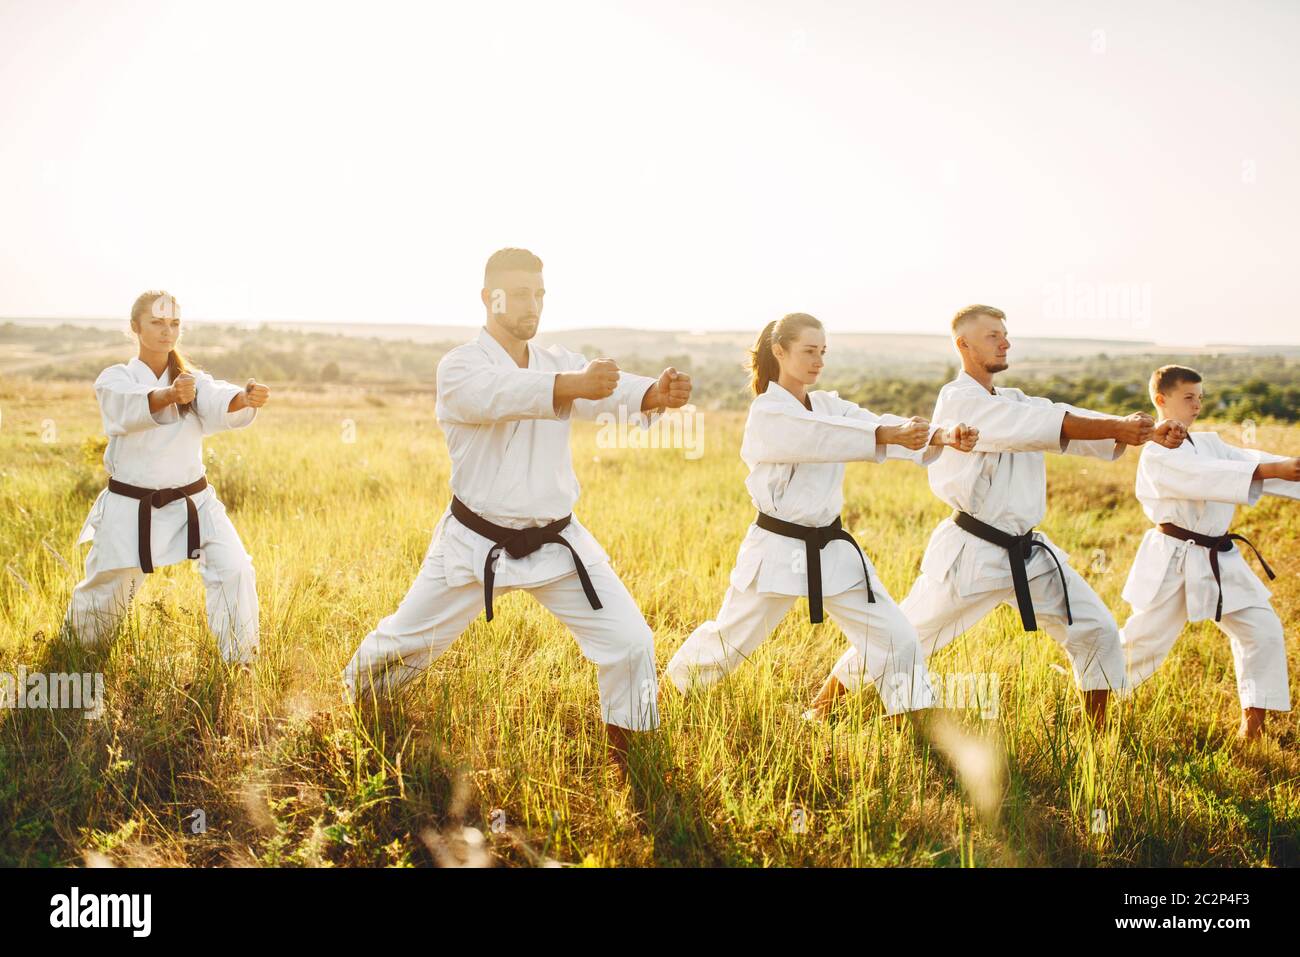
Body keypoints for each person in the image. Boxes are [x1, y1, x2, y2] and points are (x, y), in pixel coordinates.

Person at [341, 247, 691, 769]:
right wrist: (574, 385)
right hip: (474, 543)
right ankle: (349, 716)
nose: (534, 305)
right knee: (399, 647)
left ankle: (631, 766)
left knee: (632, 642)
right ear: (489, 298)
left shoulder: (558, 362)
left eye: (541, 294)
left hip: (557, 543)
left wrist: (653, 395)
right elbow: (502, 394)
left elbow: (606, 391)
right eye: (522, 294)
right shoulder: (460, 366)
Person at [809, 305, 1186, 727]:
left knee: (1096, 628)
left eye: (1005, 334)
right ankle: (821, 711)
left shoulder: (1013, 398)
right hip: (972, 552)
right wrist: (1118, 425)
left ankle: (1097, 734)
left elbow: (1056, 417)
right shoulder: (958, 400)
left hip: (1029, 550)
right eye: (993, 335)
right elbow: (1035, 423)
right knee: (905, 639)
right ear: (963, 345)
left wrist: (1145, 431)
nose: (1004, 341)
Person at [665, 312, 979, 719]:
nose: (818, 361)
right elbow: (820, 437)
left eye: (823, 352)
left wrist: (940, 435)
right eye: (808, 351)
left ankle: (916, 724)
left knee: (896, 637)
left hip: (830, 548)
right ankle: (664, 698)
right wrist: (884, 435)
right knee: (728, 643)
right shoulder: (768, 412)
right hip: (777, 549)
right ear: (779, 352)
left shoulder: (828, 404)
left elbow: (873, 422)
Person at [64, 290, 270, 666]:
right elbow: (124, 407)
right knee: (107, 591)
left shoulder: (192, 381)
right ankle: (75, 658)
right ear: (135, 327)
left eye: (173, 323)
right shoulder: (116, 378)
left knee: (235, 567)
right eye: (157, 323)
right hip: (131, 506)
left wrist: (244, 398)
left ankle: (242, 661)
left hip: (195, 503)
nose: (166, 331)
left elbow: (218, 399)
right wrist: (168, 395)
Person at [1119, 365, 1298, 742]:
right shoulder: (1156, 452)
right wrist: (1275, 467)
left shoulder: (1211, 443)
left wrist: (1289, 468)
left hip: (1220, 560)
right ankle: (1095, 700)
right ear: (1161, 399)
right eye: (1188, 397)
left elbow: (1246, 461)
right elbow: (1209, 475)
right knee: (1144, 643)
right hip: (1175, 558)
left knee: (1262, 631)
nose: (1197, 404)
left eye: (1200, 397)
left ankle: (1252, 729)